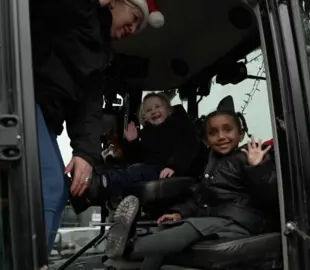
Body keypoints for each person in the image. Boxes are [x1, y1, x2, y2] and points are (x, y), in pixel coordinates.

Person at [29, 0, 166, 254]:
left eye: (139, 25)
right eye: (135, 17)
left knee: (55, 191)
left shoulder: (102, 54)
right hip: (23, 100)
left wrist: (85, 154)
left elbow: (89, 107)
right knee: (50, 186)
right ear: (115, 2)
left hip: (45, 118)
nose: (134, 28)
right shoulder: (79, 10)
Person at [104, 109, 280, 269]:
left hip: (240, 221)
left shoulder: (247, 159)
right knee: (166, 230)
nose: (221, 136)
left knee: (192, 226)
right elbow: (199, 198)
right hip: (217, 219)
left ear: (240, 134)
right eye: (213, 133)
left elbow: (269, 192)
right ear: (206, 141)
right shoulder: (210, 165)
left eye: (228, 130)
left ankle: (130, 248)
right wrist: (179, 213)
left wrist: (257, 167)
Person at [89, 92, 200, 198]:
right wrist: (132, 142)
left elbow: (187, 145)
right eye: (148, 110)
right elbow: (138, 157)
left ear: (168, 109)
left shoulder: (178, 125)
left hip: (171, 170)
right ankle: (90, 186)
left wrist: (174, 166)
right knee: (131, 169)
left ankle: (102, 182)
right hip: (153, 169)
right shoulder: (148, 133)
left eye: (158, 106)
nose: (154, 111)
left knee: (138, 170)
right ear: (144, 117)